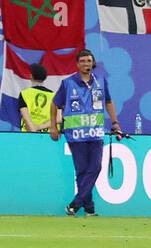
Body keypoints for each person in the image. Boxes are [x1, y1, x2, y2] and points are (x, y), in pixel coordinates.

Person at [49, 49, 122, 217]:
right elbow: (54, 104)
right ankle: (89, 208)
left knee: (95, 167)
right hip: (75, 135)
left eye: (88, 61)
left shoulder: (101, 81)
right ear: (77, 64)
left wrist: (115, 122)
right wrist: (53, 126)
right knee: (82, 170)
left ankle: (75, 204)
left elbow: (108, 102)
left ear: (93, 63)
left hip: (96, 133)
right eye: (82, 61)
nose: (86, 64)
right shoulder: (68, 83)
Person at [17, 63, 53, 134]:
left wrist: (34, 131)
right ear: (45, 77)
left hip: (29, 135)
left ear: (31, 76)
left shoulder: (24, 94)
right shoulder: (54, 95)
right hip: (48, 135)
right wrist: (39, 127)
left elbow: (26, 117)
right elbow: (58, 118)